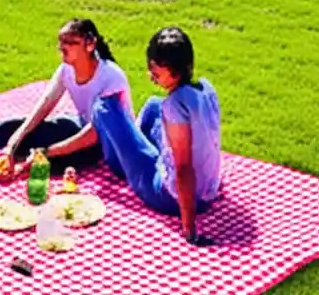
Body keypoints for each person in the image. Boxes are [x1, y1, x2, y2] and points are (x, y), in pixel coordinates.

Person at [90, 27, 221, 246]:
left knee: (105, 107)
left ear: (175, 73)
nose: (151, 76)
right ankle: (132, 153)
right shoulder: (206, 88)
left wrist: (189, 227)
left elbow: (183, 168)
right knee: (152, 105)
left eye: (156, 73)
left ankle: (124, 164)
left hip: (171, 196)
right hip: (208, 189)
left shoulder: (175, 106)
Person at [0, 18, 132, 174]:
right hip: (80, 125)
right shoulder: (66, 69)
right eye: (61, 42)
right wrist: (14, 141)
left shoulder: (111, 77)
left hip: (106, 143)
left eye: (71, 42)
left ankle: (28, 163)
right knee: (10, 127)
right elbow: (44, 106)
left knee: (50, 162)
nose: (63, 47)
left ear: (90, 45)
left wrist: (46, 152)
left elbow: (93, 134)